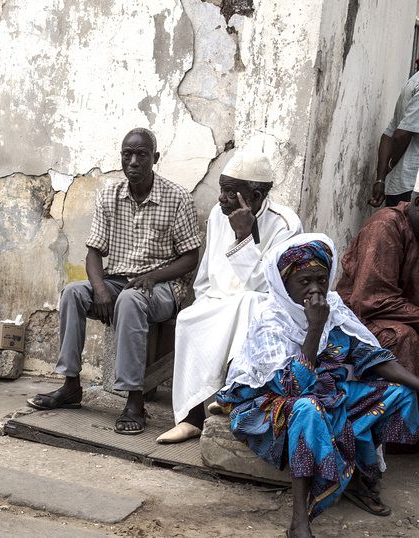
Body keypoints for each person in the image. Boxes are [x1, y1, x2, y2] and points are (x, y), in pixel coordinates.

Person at [218, 234, 419, 538]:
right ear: (285, 285)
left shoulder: (334, 309)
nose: (315, 290)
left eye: (321, 280)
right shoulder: (271, 320)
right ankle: (300, 519)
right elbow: (292, 387)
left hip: (328, 395)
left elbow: (369, 356)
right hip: (269, 406)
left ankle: (357, 476)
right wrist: (314, 328)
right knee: (307, 408)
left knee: (400, 394)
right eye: (304, 282)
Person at [28, 128, 202, 435]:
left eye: (141, 155)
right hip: (117, 280)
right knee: (72, 293)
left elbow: (190, 258)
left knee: (131, 300)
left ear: (155, 158)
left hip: (160, 287)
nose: (133, 161)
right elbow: (93, 254)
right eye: (127, 154)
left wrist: (151, 276)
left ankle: (134, 401)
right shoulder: (109, 196)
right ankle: (70, 386)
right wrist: (99, 289)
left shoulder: (177, 199)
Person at [157, 140, 302, 444]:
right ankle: (190, 417)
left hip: (264, 305)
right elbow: (206, 275)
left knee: (248, 304)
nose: (221, 198)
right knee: (189, 318)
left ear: (256, 195)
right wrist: (204, 301)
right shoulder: (216, 214)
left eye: (228, 192)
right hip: (219, 301)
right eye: (221, 189)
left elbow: (265, 286)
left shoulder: (286, 225)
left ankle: (233, 397)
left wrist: (244, 236)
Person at [336, 184, 419, 375]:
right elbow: (371, 301)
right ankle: (401, 402)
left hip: (405, 315)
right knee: (403, 337)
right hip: (360, 321)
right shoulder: (386, 226)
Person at [368, 68, 419, 207]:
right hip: (412, 188)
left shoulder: (413, 81)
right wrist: (391, 165)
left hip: (400, 186)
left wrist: (380, 179)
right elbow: (400, 134)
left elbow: (389, 134)